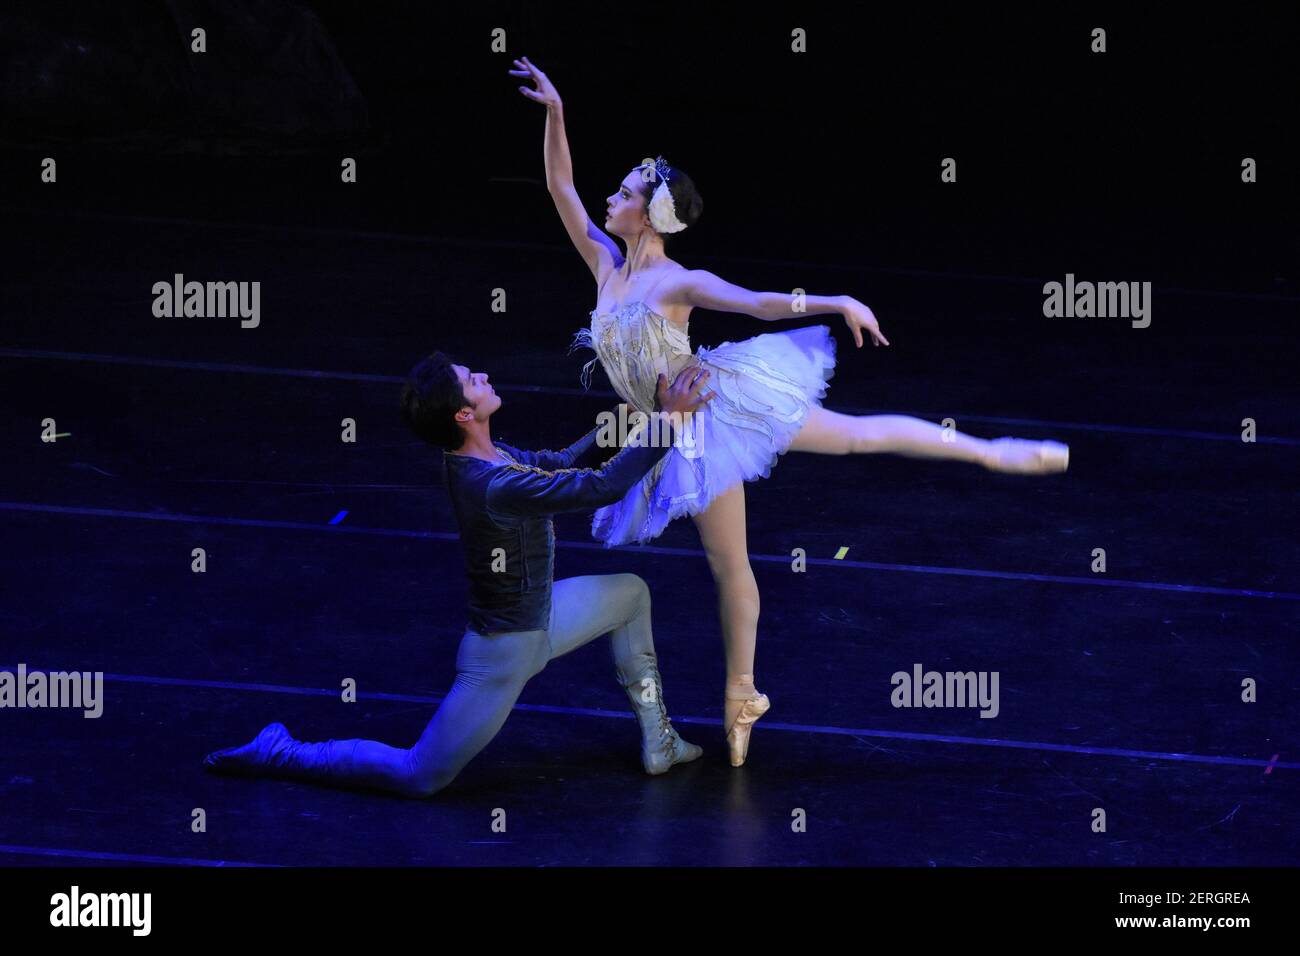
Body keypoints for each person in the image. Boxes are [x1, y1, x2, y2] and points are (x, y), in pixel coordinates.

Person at [510, 55, 1070, 767]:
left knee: (835, 462)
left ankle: (994, 452)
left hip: (713, 409)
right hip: (669, 425)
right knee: (730, 563)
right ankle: (743, 695)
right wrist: (557, 111)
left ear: (651, 213)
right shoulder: (603, 262)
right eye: (614, 189)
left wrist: (836, 301)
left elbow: (759, 303)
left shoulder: (678, 280)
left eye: (623, 192)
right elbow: (558, 183)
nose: (607, 198)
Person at [203, 356, 715, 797]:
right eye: (473, 380)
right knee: (420, 776)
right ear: (464, 413)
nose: (485, 375)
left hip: (544, 621)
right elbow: (599, 487)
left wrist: (633, 417)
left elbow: (557, 464)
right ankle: (282, 751)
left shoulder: (491, 458)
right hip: (502, 654)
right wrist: (666, 421)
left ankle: (659, 738)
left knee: (630, 593)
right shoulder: (491, 484)